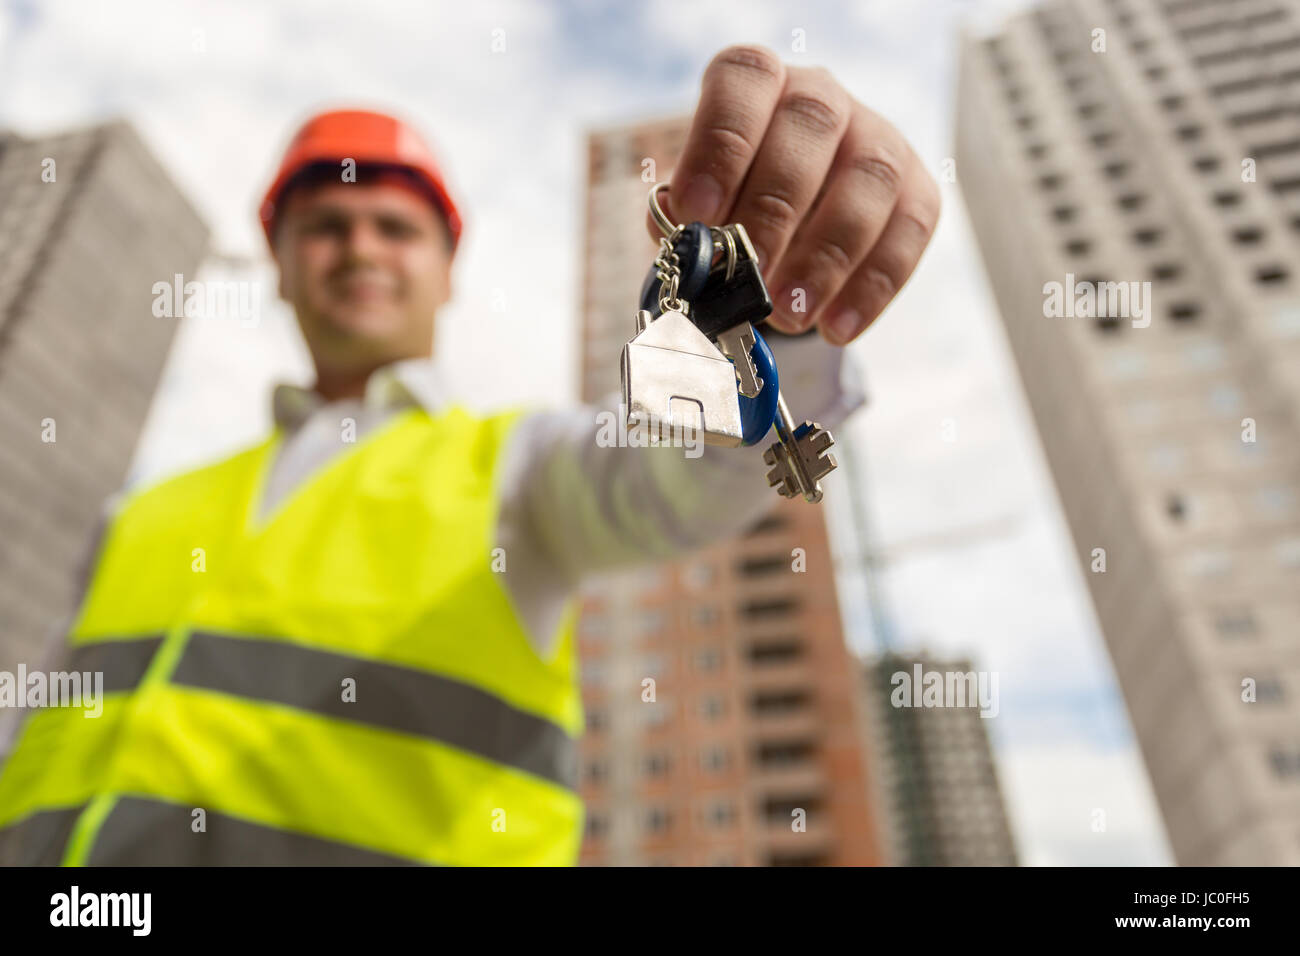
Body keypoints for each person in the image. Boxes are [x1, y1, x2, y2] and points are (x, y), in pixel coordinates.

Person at [0, 44, 939, 865]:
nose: (359, 249)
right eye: (325, 226)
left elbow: (686, 478)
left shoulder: (523, 466)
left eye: (394, 227)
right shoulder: (147, 511)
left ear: (448, 271)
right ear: (278, 266)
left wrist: (755, 327)